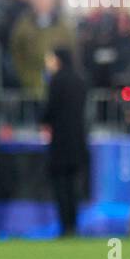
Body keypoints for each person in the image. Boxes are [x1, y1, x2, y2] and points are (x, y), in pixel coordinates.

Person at [41, 47, 88, 236]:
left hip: (60, 141)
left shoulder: (56, 81)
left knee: (61, 186)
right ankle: (73, 225)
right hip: (77, 140)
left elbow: (50, 109)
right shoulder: (79, 80)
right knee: (73, 186)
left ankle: (65, 225)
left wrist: (42, 120)